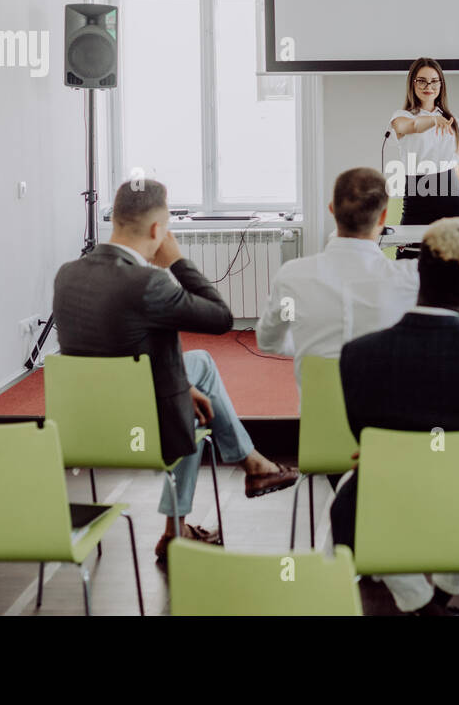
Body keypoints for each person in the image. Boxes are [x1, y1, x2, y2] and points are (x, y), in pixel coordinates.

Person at [52, 179, 297, 562]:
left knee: (198, 365)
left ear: (114, 219)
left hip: (83, 431)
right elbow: (221, 318)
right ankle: (245, 468)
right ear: (157, 230)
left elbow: (112, 358)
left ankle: (233, 480)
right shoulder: (148, 283)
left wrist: (179, 383)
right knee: (194, 412)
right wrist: (178, 261)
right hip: (145, 432)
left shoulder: (67, 274)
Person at [330, 218, 459, 615]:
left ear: (419, 275)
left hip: (383, 510)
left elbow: (363, 436)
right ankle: (435, 603)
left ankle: (425, 606)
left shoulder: (359, 355)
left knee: (353, 489)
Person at [256, 168, 419, 491]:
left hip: (323, 439)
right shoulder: (408, 279)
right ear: (384, 215)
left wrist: (307, 346)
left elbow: (268, 340)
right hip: (391, 439)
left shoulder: (294, 276)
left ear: (331, 210)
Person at [388, 57, 459, 258]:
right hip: (418, 198)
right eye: (422, 81)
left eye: (435, 81)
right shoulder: (401, 116)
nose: (429, 86)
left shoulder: (452, 123)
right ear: (412, 83)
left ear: (441, 85)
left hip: (452, 199)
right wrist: (434, 120)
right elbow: (412, 126)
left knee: (452, 270)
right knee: (408, 262)